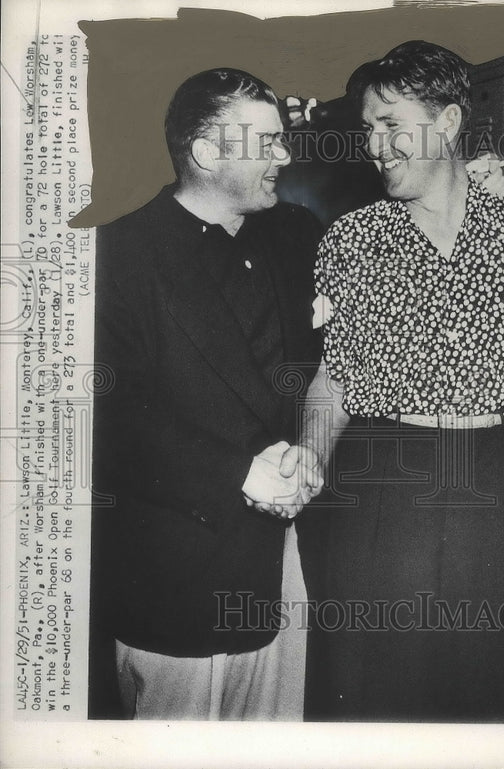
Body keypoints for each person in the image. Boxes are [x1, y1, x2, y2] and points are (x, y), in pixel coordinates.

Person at [287, 41, 504, 722]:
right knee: (366, 688)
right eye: (367, 128)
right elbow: (336, 375)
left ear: (447, 123)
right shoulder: (353, 239)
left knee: (478, 691)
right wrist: (308, 451)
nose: (375, 144)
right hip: (389, 473)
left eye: (391, 123)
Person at [90, 68, 324, 720]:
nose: (285, 155)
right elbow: (104, 422)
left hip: (277, 567)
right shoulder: (119, 252)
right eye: (268, 142)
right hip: (175, 581)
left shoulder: (295, 234)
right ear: (206, 152)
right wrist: (235, 470)